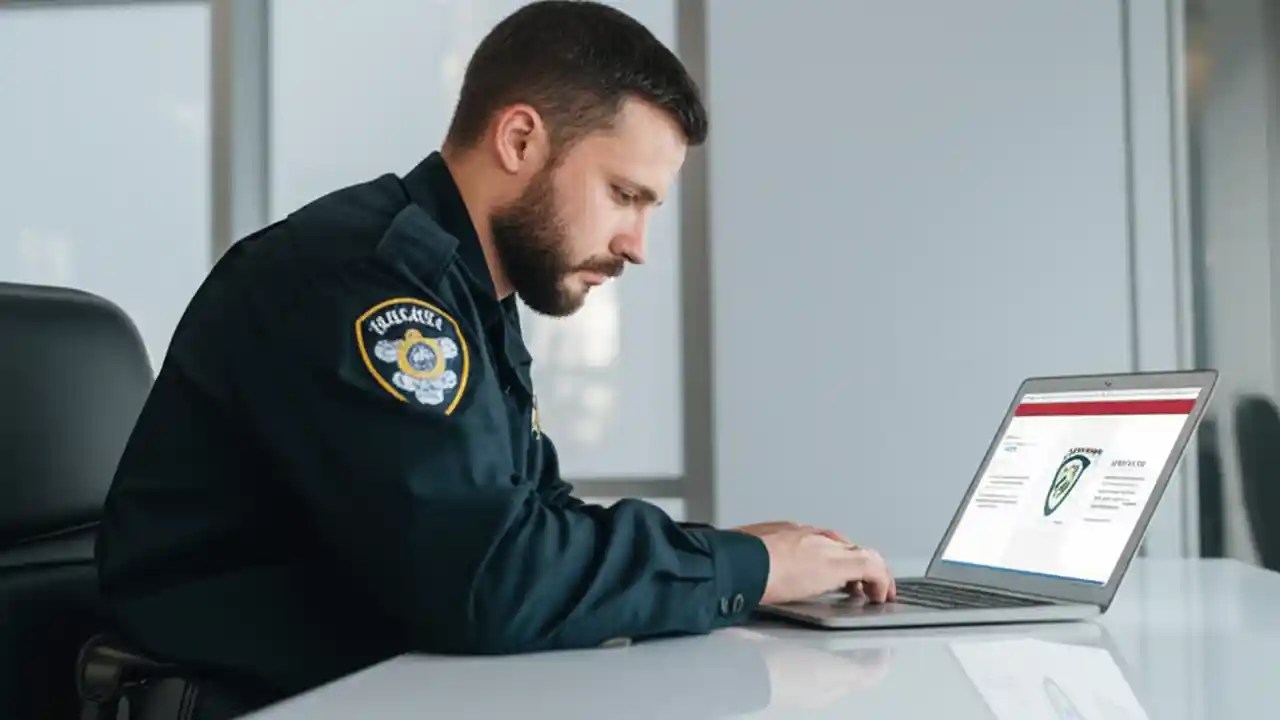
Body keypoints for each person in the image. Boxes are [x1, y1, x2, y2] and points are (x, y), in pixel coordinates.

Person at [95, 0, 895, 712]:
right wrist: (743, 569)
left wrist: (727, 563)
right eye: (624, 195)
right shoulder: (368, 285)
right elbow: (492, 580)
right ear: (519, 139)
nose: (638, 246)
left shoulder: (463, 287)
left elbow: (527, 527)